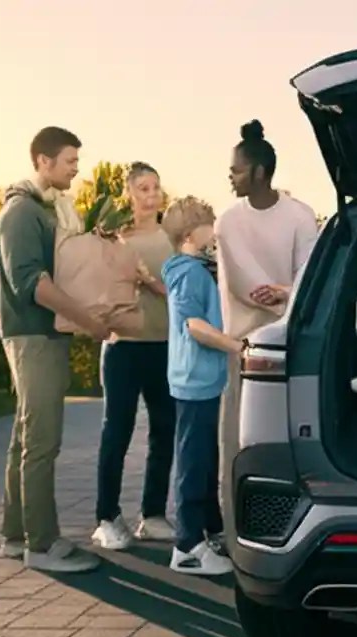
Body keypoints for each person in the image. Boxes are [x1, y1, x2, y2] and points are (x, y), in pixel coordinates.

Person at [0, 126, 106, 573]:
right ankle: (40, 546)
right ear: (43, 161)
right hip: (32, 337)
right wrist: (88, 319)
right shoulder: (21, 213)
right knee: (42, 443)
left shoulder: (49, 211)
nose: (76, 170)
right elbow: (31, 283)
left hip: (46, 336)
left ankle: (15, 535)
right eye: (69, 162)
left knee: (26, 438)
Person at [214, 120, 319, 532]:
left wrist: (285, 293)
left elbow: (309, 280)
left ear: (258, 172)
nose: (230, 176)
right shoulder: (227, 222)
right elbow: (244, 285)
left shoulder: (300, 216)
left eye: (236, 170)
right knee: (235, 445)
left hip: (289, 347)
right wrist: (281, 291)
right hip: (241, 350)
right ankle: (232, 529)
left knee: (285, 445)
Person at [90, 162, 177, 550]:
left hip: (164, 346)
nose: (151, 194)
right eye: (143, 188)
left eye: (155, 187)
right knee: (117, 432)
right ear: (130, 194)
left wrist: (148, 281)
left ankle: (153, 516)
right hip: (122, 348)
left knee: (165, 430)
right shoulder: (113, 237)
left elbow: (181, 291)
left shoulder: (171, 239)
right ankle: (106, 518)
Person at [161, 196, 247, 575]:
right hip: (194, 381)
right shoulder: (189, 274)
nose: (214, 229)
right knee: (194, 464)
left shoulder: (198, 268)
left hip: (205, 381)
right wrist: (236, 347)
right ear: (191, 232)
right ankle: (187, 547)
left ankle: (208, 532)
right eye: (208, 223)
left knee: (205, 459)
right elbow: (194, 326)